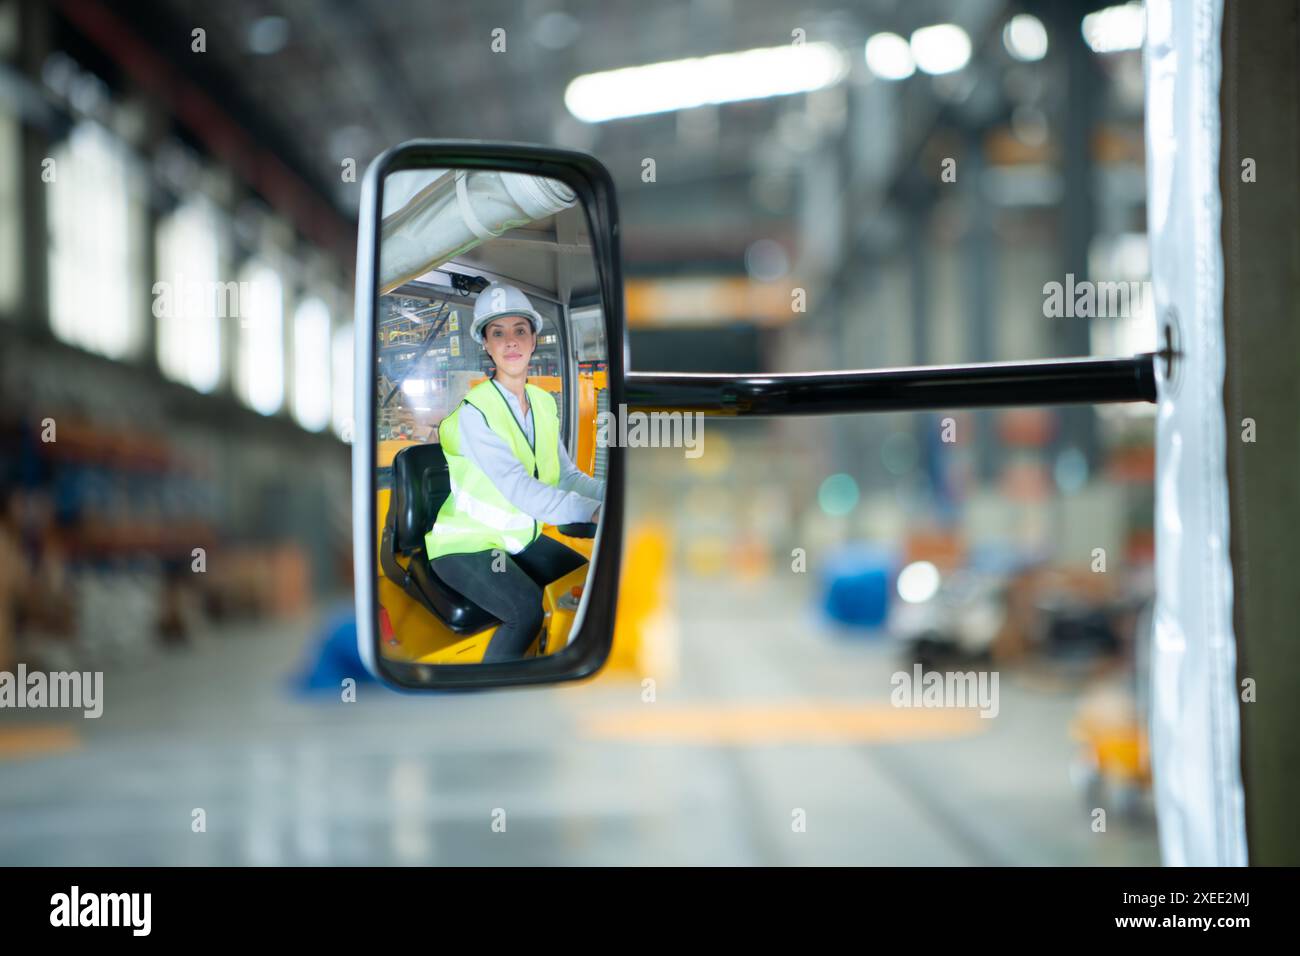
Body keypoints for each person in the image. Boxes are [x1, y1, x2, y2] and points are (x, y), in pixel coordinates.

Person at [425, 281, 604, 662]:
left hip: (515, 538)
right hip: (466, 546)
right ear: (486, 345)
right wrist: (590, 512)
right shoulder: (475, 413)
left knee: (584, 580)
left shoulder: (542, 403)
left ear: (534, 339)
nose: (511, 341)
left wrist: (613, 495)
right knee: (524, 611)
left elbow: (565, 475)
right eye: (498, 332)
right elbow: (518, 487)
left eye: (520, 330)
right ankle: (491, 707)